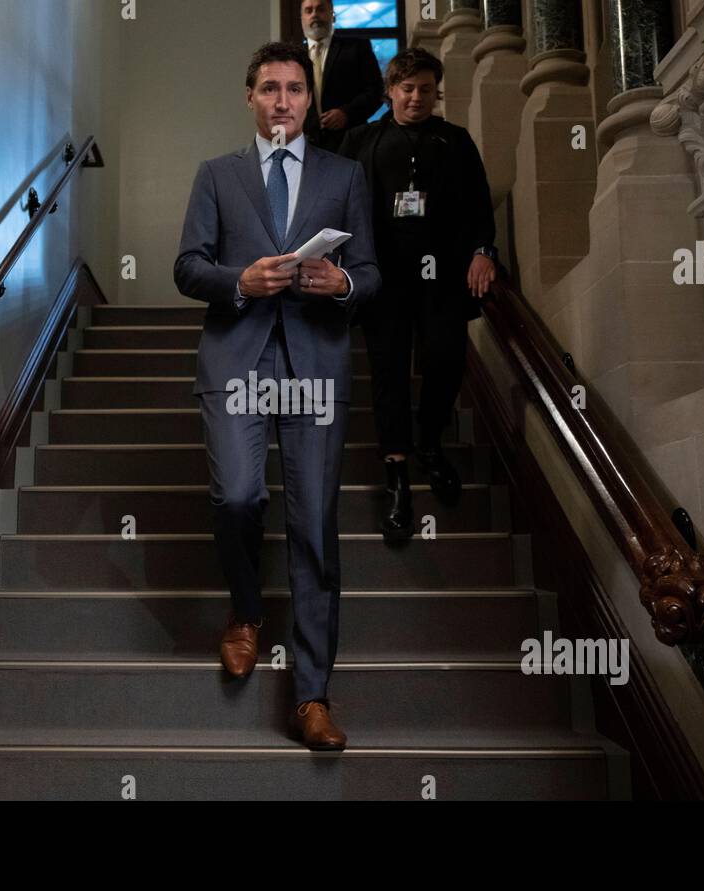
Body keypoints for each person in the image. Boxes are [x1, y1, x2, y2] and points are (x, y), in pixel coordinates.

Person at [173, 42, 380, 750]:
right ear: (250, 97)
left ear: (305, 97)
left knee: (316, 523)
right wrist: (241, 280)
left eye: (295, 88)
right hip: (237, 356)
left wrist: (343, 284)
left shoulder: (345, 173)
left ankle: (313, 696)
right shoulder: (216, 175)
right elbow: (186, 266)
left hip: (317, 361)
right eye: (269, 88)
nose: (284, 99)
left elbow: (373, 272)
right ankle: (244, 610)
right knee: (237, 495)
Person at [338, 47, 498, 545]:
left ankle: (430, 442)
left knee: (447, 357)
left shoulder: (455, 140)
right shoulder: (360, 140)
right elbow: (336, 207)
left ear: (435, 92)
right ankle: (398, 478)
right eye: (407, 89)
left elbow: (478, 203)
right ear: (390, 90)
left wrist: (483, 251)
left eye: (426, 89)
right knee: (387, 374)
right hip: (382, 278)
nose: (416, 97)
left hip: (443, 276)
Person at [299, 0, 385, 151]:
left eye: (320, 9)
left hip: (350, 143)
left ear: (333, 16)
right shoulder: (292, 56)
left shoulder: (357, 48)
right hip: (305, 146)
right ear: (302, 19)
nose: (314, 15)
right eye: (308, 11)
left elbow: (376, 91)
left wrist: (347, 113)